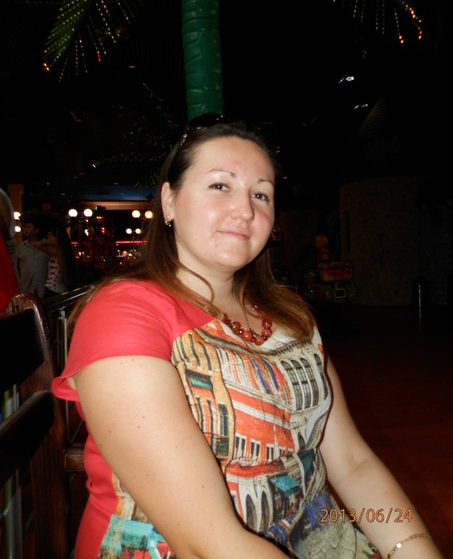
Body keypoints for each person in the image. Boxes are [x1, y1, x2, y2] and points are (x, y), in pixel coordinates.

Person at [52, 120, 443, 559]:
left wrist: (413, 549)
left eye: (261, 195)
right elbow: (207, 543)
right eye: (220, 186)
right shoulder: (123, 313)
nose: (245, 210)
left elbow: (352, 462)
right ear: (169, 201)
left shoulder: (290, 315)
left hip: (321, 539)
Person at [32, 215, 78, 296]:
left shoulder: (57, 252)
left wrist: (51, 242)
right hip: (57, 288)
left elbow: (35, 244)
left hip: (53, 289)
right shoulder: (64, 251)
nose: (48, 238)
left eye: (50, 236)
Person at [15, 210, 50, 298]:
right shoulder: (21, 247)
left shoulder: (47, 246)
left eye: (28, 227)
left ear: (36, 230)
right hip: (26, 291)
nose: (25, 230)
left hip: (44, 292)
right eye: (24, 227)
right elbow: (15, 268)